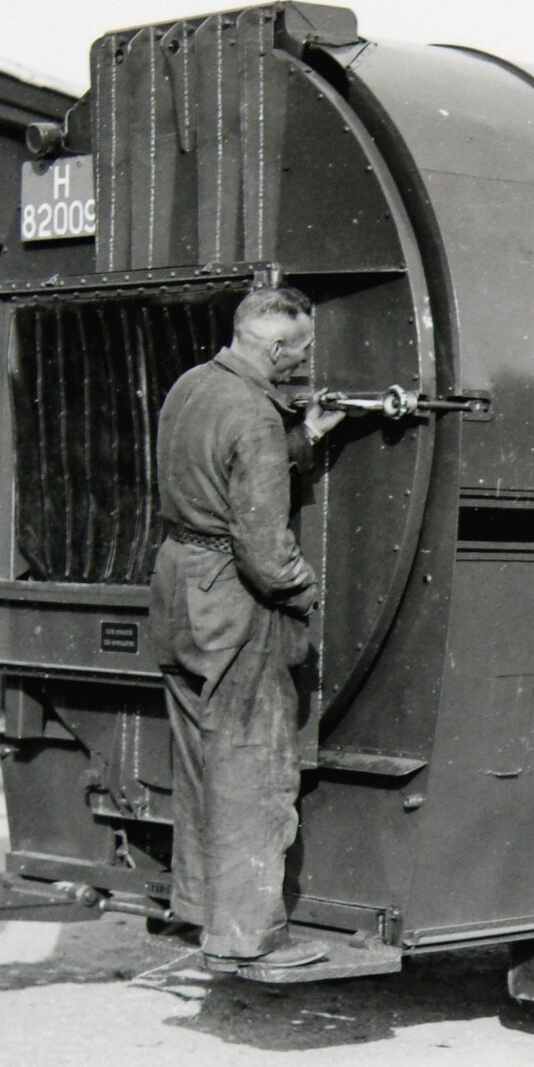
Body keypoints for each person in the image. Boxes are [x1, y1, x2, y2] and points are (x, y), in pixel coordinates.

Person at [151, 286, 348, 975]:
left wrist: (307, 435)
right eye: (298, 353)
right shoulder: (255, 415)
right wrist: (306, 589)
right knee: (253, 763)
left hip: (177, 583)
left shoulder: (190, 387)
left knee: (200, 760)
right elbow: (264, 550)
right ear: (271, 347)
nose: (302, 365)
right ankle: (249, 933)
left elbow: (214, 475)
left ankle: (198, 908)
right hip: (233, 598)